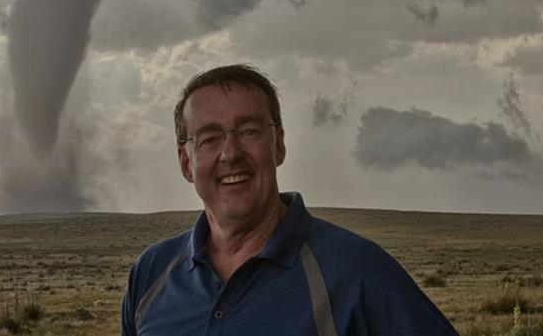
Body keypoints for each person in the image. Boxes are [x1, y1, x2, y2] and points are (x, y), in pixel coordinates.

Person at [122, 64, 459, 336]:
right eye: (210, 138)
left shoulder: (356, 271)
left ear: (279, 145)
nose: (230, 153)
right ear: (186, 163)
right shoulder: (151, 273)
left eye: (249, 131)